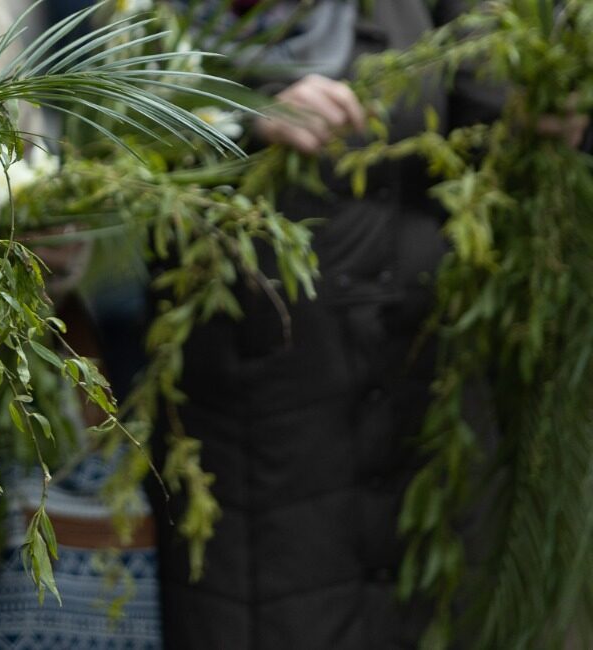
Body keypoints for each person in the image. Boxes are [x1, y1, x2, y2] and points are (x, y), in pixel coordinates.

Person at [156, 1, 588, 649]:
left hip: (425, 396)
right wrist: (243, 116)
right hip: (265, 415)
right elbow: (107, 140)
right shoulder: (158, 19)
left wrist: (546, 115)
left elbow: (490, 97)